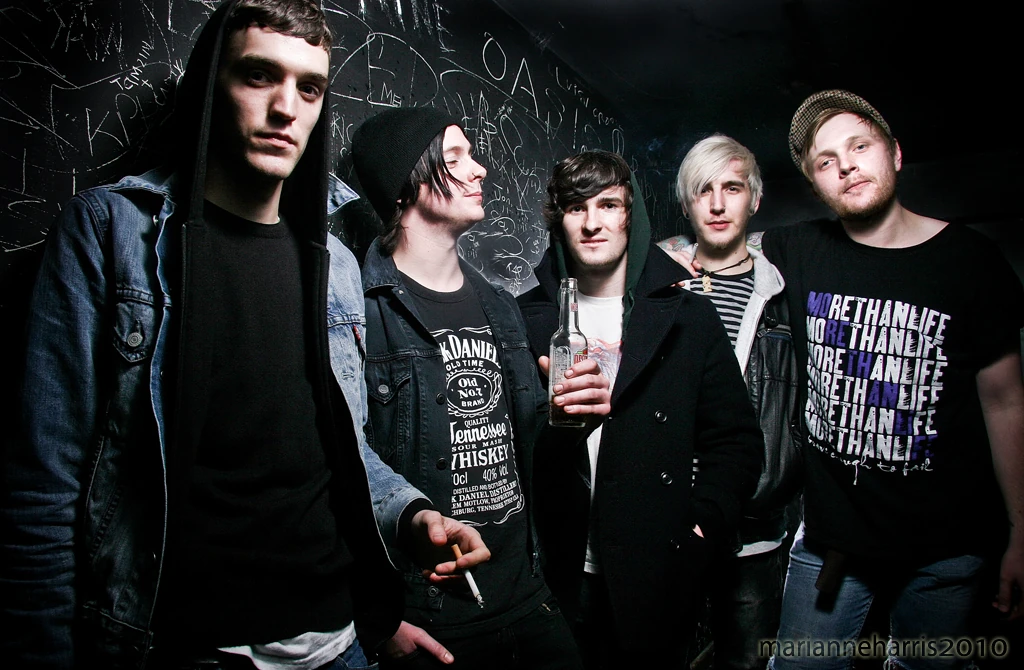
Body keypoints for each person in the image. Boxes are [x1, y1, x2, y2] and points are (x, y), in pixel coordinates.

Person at [0, 2, 488, 668]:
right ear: (212, 84)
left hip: (340, 642)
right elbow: (43, 487)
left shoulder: (336, 267)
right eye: (259, 75)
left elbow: (339, 453)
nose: (286, 108)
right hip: (181, 647)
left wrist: (412, 516)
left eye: (309, 88)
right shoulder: (114, 233)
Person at [757, 90, 1024, 669]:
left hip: (948, 550)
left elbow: (1005, 402)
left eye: (860, 146)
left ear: (895, 153)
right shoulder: (796, 249)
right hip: (831, 543)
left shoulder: (972, 261)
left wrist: (1020, 534)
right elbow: (709, 246)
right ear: (816, 185)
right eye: (825, 161)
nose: (846, 166)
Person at [351, 108, 612, 669]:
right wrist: (379, 619)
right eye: (456, 158)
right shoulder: (361, 309)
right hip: (432, 616)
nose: (479, 169)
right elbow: (346, 466)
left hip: (529, 591)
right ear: (406, 183)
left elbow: (531, 451)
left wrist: (573, 417)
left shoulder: (500, 305)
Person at [515, 149, 763, 668]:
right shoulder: (521, 319)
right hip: (553, 572)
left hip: (656, 571)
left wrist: (702, 526)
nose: (592, 224)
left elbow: (736, 442)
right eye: (576, 207)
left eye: (608, 205)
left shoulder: (689, 317)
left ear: (632, 214)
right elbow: (506, 443)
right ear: (559, 221)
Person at [660, 134, 801, 670]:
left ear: (755, 198)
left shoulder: (784, 295)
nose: (718, 205)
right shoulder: (657, 283)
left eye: (732, 188)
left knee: (746, 660)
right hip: (668, 514)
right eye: (703, 190)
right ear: (687, 203)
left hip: (752, 525)